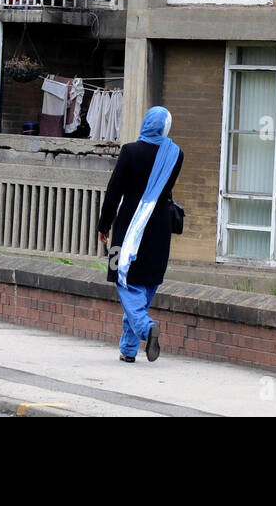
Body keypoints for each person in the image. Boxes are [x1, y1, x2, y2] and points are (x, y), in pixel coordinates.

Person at [97, 105, 184, 363]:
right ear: (166, 127)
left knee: (122, 278)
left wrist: (104, 225)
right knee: (146, 282)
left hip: (127, 227)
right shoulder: (176, 154)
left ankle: (146, 328)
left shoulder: (130, 151)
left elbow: (114, 191)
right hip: (159, 228)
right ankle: (128, 349)